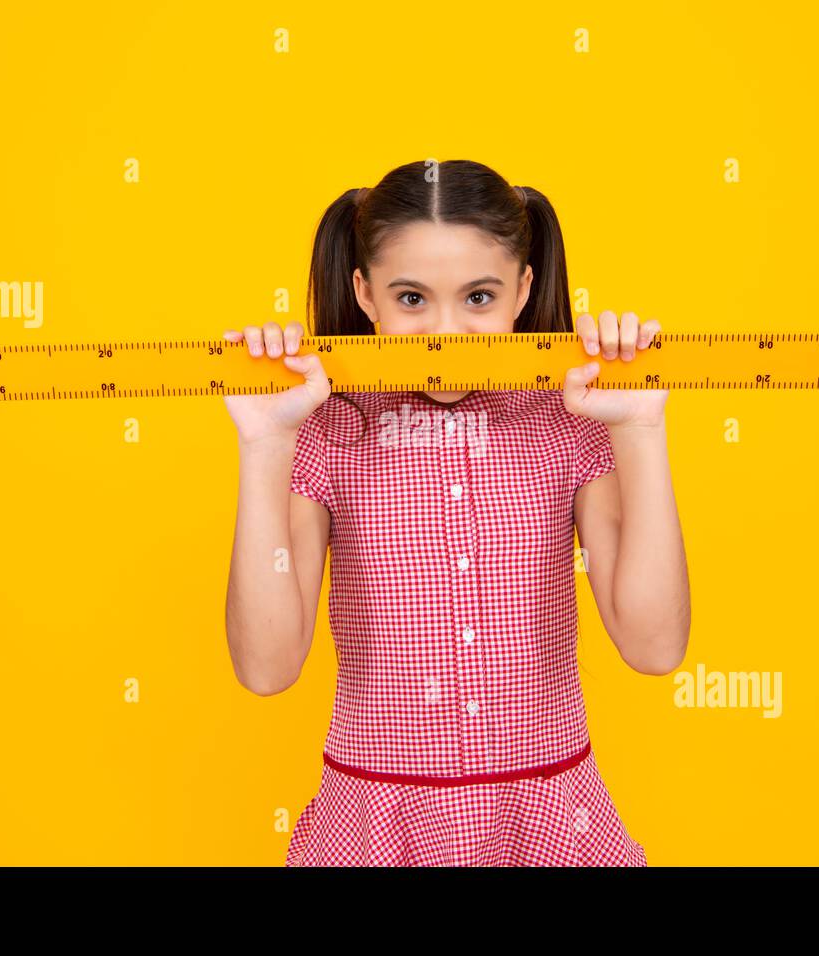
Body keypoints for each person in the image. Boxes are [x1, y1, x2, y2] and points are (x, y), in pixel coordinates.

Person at [222, 159, 690, 866]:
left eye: (478, 297)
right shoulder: (324, 428)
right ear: (365, 293)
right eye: (411, 299)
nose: (447, 332)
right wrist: (265, 445)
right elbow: (266, 667)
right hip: (375, 826)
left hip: (552, 823)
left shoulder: (569, 419)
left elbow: (655, 648)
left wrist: (640, 431)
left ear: (524, 290)